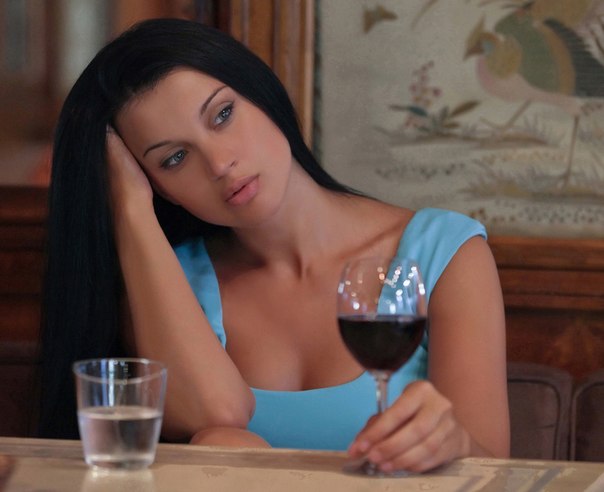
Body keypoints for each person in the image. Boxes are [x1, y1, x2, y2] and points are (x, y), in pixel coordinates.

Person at [39, 18, 509, 473]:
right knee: (224, 443)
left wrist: (454, 442)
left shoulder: (443, 255)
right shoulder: (164, 283)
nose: (220, 164)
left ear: (261, 94)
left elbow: (497, 471)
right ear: (155, 186)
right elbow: (217, 416)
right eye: (175, 158)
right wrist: (131, 212)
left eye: (223, 115)